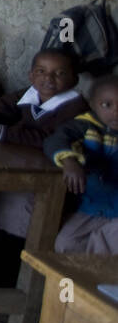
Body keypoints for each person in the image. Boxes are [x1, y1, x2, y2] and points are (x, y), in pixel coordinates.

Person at [0, 50, 87, 275]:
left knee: (23, 207)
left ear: (74, 79)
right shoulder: (27, 95)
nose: (48, 79)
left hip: (53, 175)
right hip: (19, 163)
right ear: (31, 76)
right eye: (41, 71)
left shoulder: (75, 107)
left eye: (59, 73)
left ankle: (14, 259)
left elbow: (50, 140)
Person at [45, 74, 118, 255]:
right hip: (89, 208)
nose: (116, 112)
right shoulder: (85, 126)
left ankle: (94, 280)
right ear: (93, 104)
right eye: (107, 105)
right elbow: (55, 140)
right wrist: (69, 161)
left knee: (108, 248)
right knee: (65, 243)